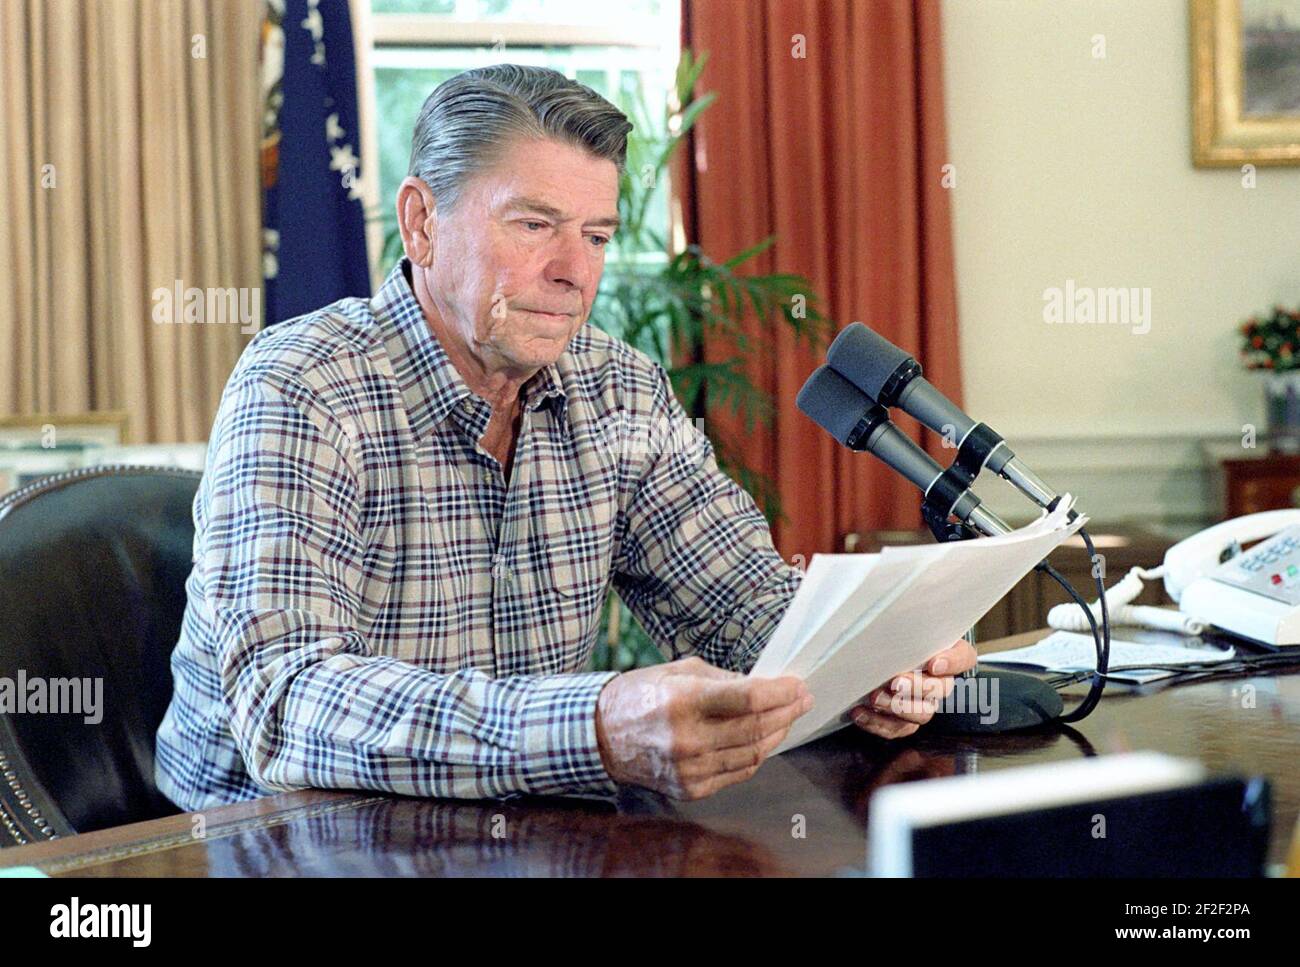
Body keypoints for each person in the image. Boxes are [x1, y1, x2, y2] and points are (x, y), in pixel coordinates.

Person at [155, 64, 975, 810]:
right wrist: (595, 725)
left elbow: (741, 604)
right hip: (258, 843)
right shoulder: (301, 386)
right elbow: (287, 705)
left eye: (596, 236)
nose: (575, 272)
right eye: (534, 224)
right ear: (421, 222)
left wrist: (874, 654)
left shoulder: (619, 388)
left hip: (517, 837)